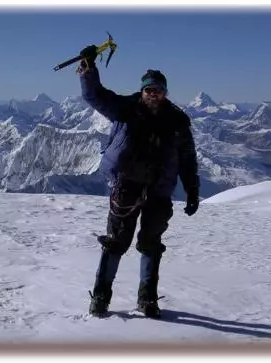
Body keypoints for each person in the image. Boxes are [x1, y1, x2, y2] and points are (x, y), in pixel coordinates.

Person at [78, 45, 200, 319]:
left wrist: (192, 190)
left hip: (159, 191)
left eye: (157, 89)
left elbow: (188, 159)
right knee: (115, 242)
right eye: (148, 89)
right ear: (142, 91)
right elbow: (95, 95)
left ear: (165, 92)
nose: (153, 94)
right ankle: (100, 297)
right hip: (126, 186)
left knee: (151, 244)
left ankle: (147, 300)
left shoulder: (178, 121)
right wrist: (88, 68)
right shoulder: (125, 109)